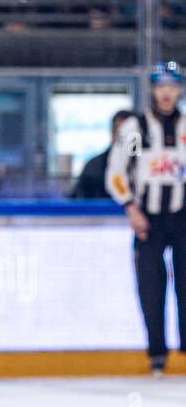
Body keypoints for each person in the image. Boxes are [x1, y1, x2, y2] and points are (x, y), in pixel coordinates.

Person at [107, 61, 186, 376]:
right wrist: (130, 206)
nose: (166, 93)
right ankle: (157, 352)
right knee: (151, 288)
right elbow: (116, 171)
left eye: (172, 86)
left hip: (182, 217)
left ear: (179, 89)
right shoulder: (135, 129)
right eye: (160, 86)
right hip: (148, 221)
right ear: (153, 89)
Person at [68, 109, 134, 199]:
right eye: (122, 134)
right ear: (113, 134)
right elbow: (78, 203)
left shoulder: (145, 165)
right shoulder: (93, 167)